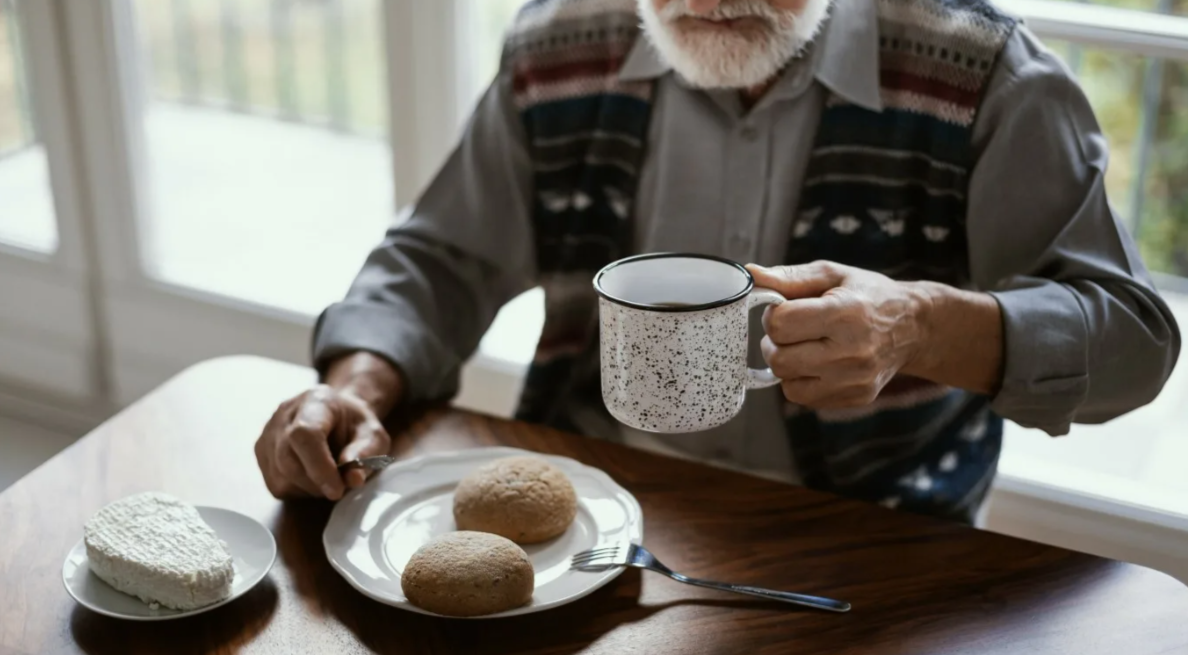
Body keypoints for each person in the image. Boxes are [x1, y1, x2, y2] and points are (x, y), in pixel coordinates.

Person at [254, 0, 1181, 522]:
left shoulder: (987, 75)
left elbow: (1135, 341)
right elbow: (443, 257)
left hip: (873, 536)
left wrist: (925, 326)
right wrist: (357, 385)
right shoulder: (556, 44)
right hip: (595, 512)